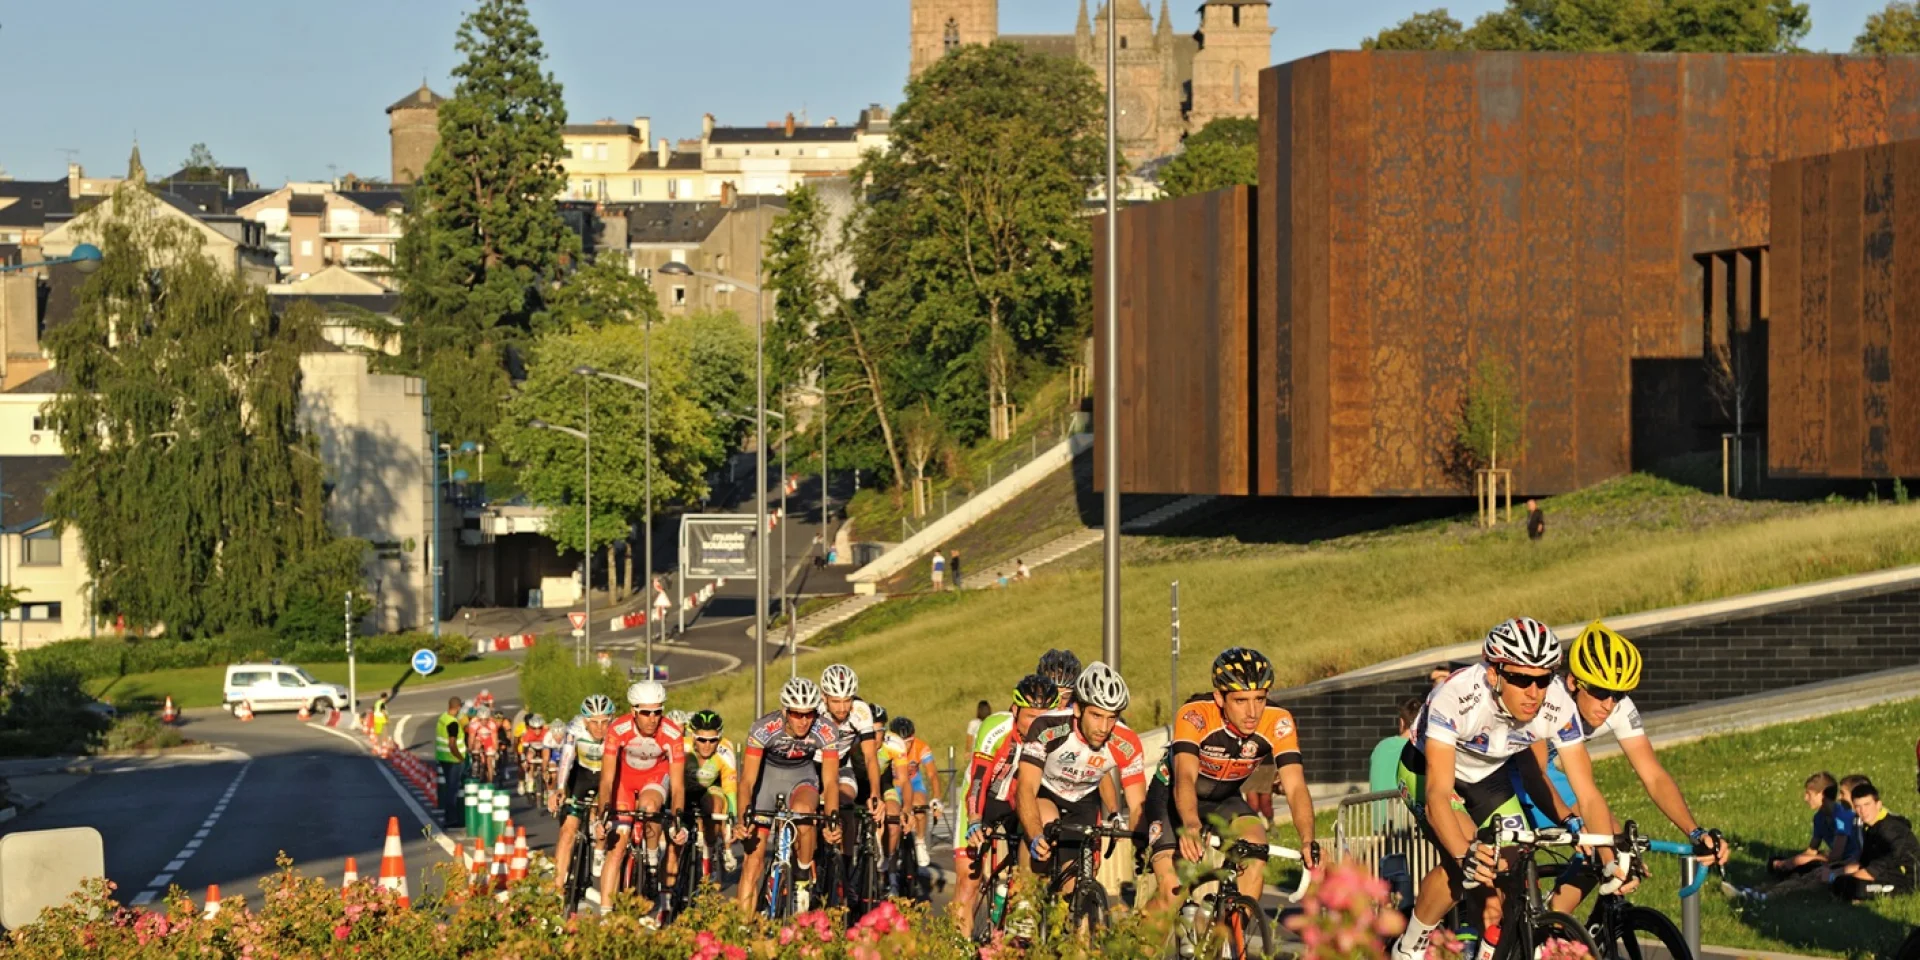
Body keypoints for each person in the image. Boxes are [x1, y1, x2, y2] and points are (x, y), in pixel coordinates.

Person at [1389, 618, 1620, 960]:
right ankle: (1409, 946)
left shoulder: (1557, 704)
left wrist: (1610, 860)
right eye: (1521, 679)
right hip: (1429, 771)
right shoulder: (1456, 696)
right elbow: (1438, 793)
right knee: (1468, 862)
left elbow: (1587, 793)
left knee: (1514, 873)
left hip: (1487, 776)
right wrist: (1462, 856)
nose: (1534, 692)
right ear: (1495, 674)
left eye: (1542, 680)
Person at [1517, 622, 1728, 913]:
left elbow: (1653, 776)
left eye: (1618, 694)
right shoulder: (1547, 698)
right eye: (1601, 691)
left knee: (1614, 841)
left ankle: (1551, 928)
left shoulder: (1617, 706)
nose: (1609, 704)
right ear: (1574, 682)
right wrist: (1576, 824)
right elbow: (1534, 773)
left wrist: (1694, 832)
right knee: (1601, 840)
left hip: (1546, 771)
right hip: (1511, 770)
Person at [1141, 648, 1321, 912]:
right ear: (1220, 698)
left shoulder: (1278, 721)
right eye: (1241, 701)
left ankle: (1229, 942)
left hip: (1224, 799)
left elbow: (1295, 787)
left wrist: (1307, 839)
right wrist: (1191, 823)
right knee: (1172, 892)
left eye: (1260, 699)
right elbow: (1186, 777)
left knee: (1256, 849)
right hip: (1172, 796)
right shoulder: (1195, 715)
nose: (1252, 711)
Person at [1017, 663, 1130, 899]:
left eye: (1065, 696)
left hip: (1081, 799)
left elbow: (1102, 774)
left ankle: (1074, 921)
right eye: (1054, 694)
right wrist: (1035, 832)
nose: (1059, 701)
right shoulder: (1050, 725)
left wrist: (1114, 813)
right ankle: (1025, 904)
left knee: (1075, 884)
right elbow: (1026, 786)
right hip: (1047, 792)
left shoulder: (1097, 729)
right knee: (1044, 829)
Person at [954, 673, 1059, 924]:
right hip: (983, 799)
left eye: (1043, 718)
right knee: (968, 882)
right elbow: (979, 778)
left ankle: (1009, 919)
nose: (1037, 725)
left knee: (1027, 872)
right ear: (1014, 710)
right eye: (1030, 716)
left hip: (1018, 803)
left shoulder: (1054, 736)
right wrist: (975, 820)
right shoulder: (996, 727)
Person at [734, 677, 842, 913]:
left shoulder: (826, 730)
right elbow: (747, 781)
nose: (803, 721)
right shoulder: (763, 728)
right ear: (785, 711)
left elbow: (831, 781)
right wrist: (743, 818)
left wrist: (832, 820)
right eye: (796, 714)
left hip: (802, 779)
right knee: (752, 862)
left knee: (804, 812)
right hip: (767, 782)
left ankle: (802, 876)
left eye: (809, 714)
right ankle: (740, 931)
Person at [597, 681, 687, 912]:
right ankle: (605, 917)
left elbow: (677, 786)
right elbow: (607, 780)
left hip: (654, 779)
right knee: (616, 848)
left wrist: (677, 821)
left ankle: (652, 859)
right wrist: (602, 817)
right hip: (624, 781)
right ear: (633, 711)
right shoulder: (617, 730)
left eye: (658, 712)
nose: (652, 718)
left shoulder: (672, 733)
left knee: (649, 807)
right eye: (646, 712)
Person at [817, 664, 884, 856]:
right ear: (824, 697)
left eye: (847, 701)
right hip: (813, 765)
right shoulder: (816, 710)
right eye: (836, 702)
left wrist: (875, 794)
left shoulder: (860, 711)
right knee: (811, 814)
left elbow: (870, 757)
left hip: (841, 765)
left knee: (845, 804)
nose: (842, 708)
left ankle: (845, 866)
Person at [552, 695, 616, 894]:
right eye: (594, 723)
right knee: (567, 831)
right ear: (585, 720)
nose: (599, 728)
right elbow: (567, 758)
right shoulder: (574, 728)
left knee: (605, 816)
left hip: (607, 777)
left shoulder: (617, 732)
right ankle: (557, 888)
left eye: (605, 722)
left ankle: (599, 849)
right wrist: (560, 788)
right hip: (581, 776)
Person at [1830, 780, 1920, 900]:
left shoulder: (1891, 828)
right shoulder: (1869, 827)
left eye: (1867, 805)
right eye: (1858, 806)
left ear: (1878, 805)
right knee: (1840, 881)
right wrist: (1836, 874)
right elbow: (1865, 862)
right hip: (1885, 874)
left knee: (1852, 886)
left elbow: (1885, 863)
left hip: (1907, 880)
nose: (1863, 811)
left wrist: (1851, 877)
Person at [684, 709, 739, 873]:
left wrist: (732, 818)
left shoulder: (725, 751)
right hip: (684, 789)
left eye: (712, 740)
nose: (707, 745)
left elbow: (730, 789)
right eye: (701, 739)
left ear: (719, 738)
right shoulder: (682, 747)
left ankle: (709, 854)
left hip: (711, 788)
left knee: (714, 807)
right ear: (693, 736)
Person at [1769, 772, 1856, 877]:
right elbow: (1812, 850)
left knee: (1808, 867)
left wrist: (1807, 859)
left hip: (1849, 862)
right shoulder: (1818, 818)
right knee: (1781, 863)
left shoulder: (1842, 817)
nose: (1805, 798)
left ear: (1822, 794)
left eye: (1809, 794)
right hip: (1833, 860)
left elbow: (1837, 856)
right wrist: (1790, 861)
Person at [1370, 697, 1426, 794]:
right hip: (1405, 807)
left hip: (1379, 808)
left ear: (1401, 722)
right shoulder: (1419, 749)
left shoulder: (1381, 747)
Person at [434, 697, 466, 829]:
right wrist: (461, 758)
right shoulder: (453, 723)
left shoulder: (442, 717)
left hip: (443, 758)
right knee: (453, 790)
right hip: (454, 760)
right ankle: (451, 819)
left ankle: (449, 817)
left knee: (449, 788)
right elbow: (452, 744)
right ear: (458, 707)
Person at [467, 706, 501, 785]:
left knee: (489, 761)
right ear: (478, 718)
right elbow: (471, 738)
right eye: (481, 719)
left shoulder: (492, 724)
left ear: (488, 718)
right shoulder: (473, 724)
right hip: (479, 739)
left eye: (486, 719)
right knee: (476, 746)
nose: (484, 722)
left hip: (489, 740)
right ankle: (475, 767)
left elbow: (494, 739)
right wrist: (470, 749)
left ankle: (490, 782)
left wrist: (495, 750)